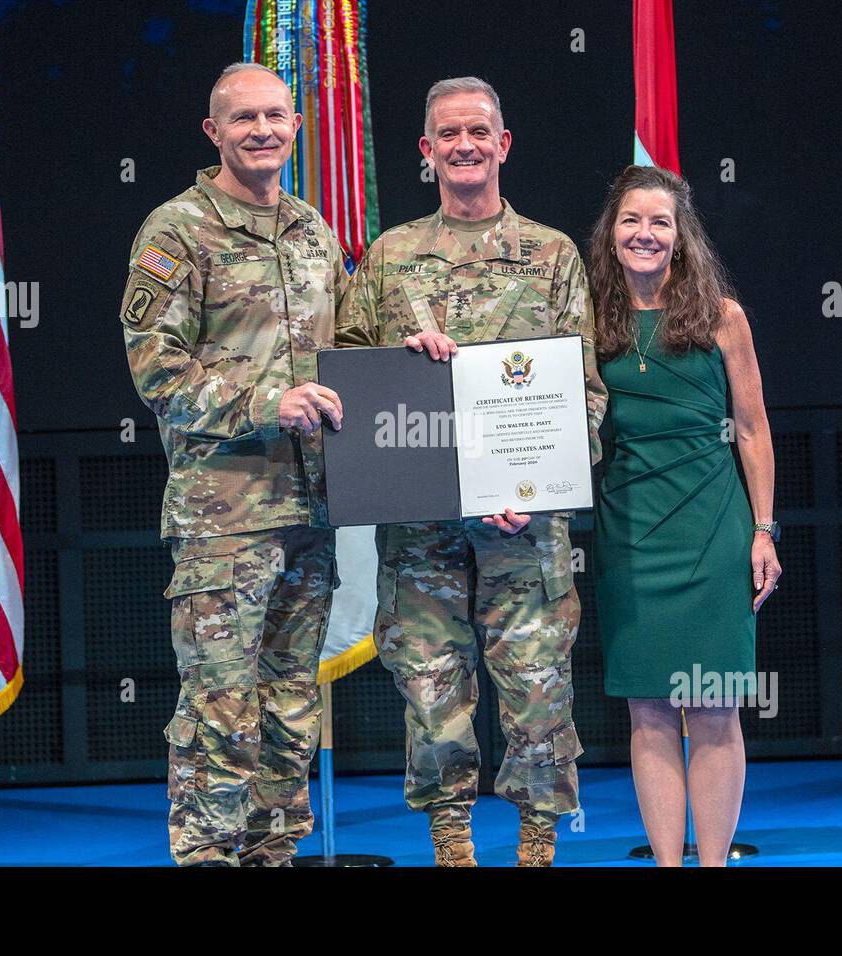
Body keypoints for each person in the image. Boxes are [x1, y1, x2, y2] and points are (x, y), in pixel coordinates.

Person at [336, 76, 607, 866]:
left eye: (478, 132)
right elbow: (350, 378)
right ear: (426, 150)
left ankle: (537, 847)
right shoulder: (390, 258)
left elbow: (585, 392)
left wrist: (538, 488)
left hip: (524, 530)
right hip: (420, 531)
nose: (464, 146)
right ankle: (451, 844)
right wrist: (399, 361)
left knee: (538, 693)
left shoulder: (551, 255)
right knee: (431, 697)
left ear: (503, 144)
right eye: (448, 134)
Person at [120, 62, 348, 866]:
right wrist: (264, 402)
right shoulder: (176, 231)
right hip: (225, 519)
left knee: (290, 709)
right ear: (213, 131)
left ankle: (272, 855)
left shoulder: (314, 231)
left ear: (296, 127)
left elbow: (350, 347)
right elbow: (156, 368)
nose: (262, 130)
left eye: (275, 116)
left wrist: (412, 352)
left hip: (312, 511)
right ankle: (208, 857)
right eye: (243, 118)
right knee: (220, 712)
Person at [588, 164, 781, 866]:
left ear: (680, 235)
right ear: (610, 233)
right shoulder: (587, 320)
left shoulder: (722, 317)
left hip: (713, 533)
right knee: (648, 708)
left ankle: (713, 863)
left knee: (713, 706)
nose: (644, 234)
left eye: (659, 222)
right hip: (629, 537)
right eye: (631, 220)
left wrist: (764, 530)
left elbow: (752, 430)